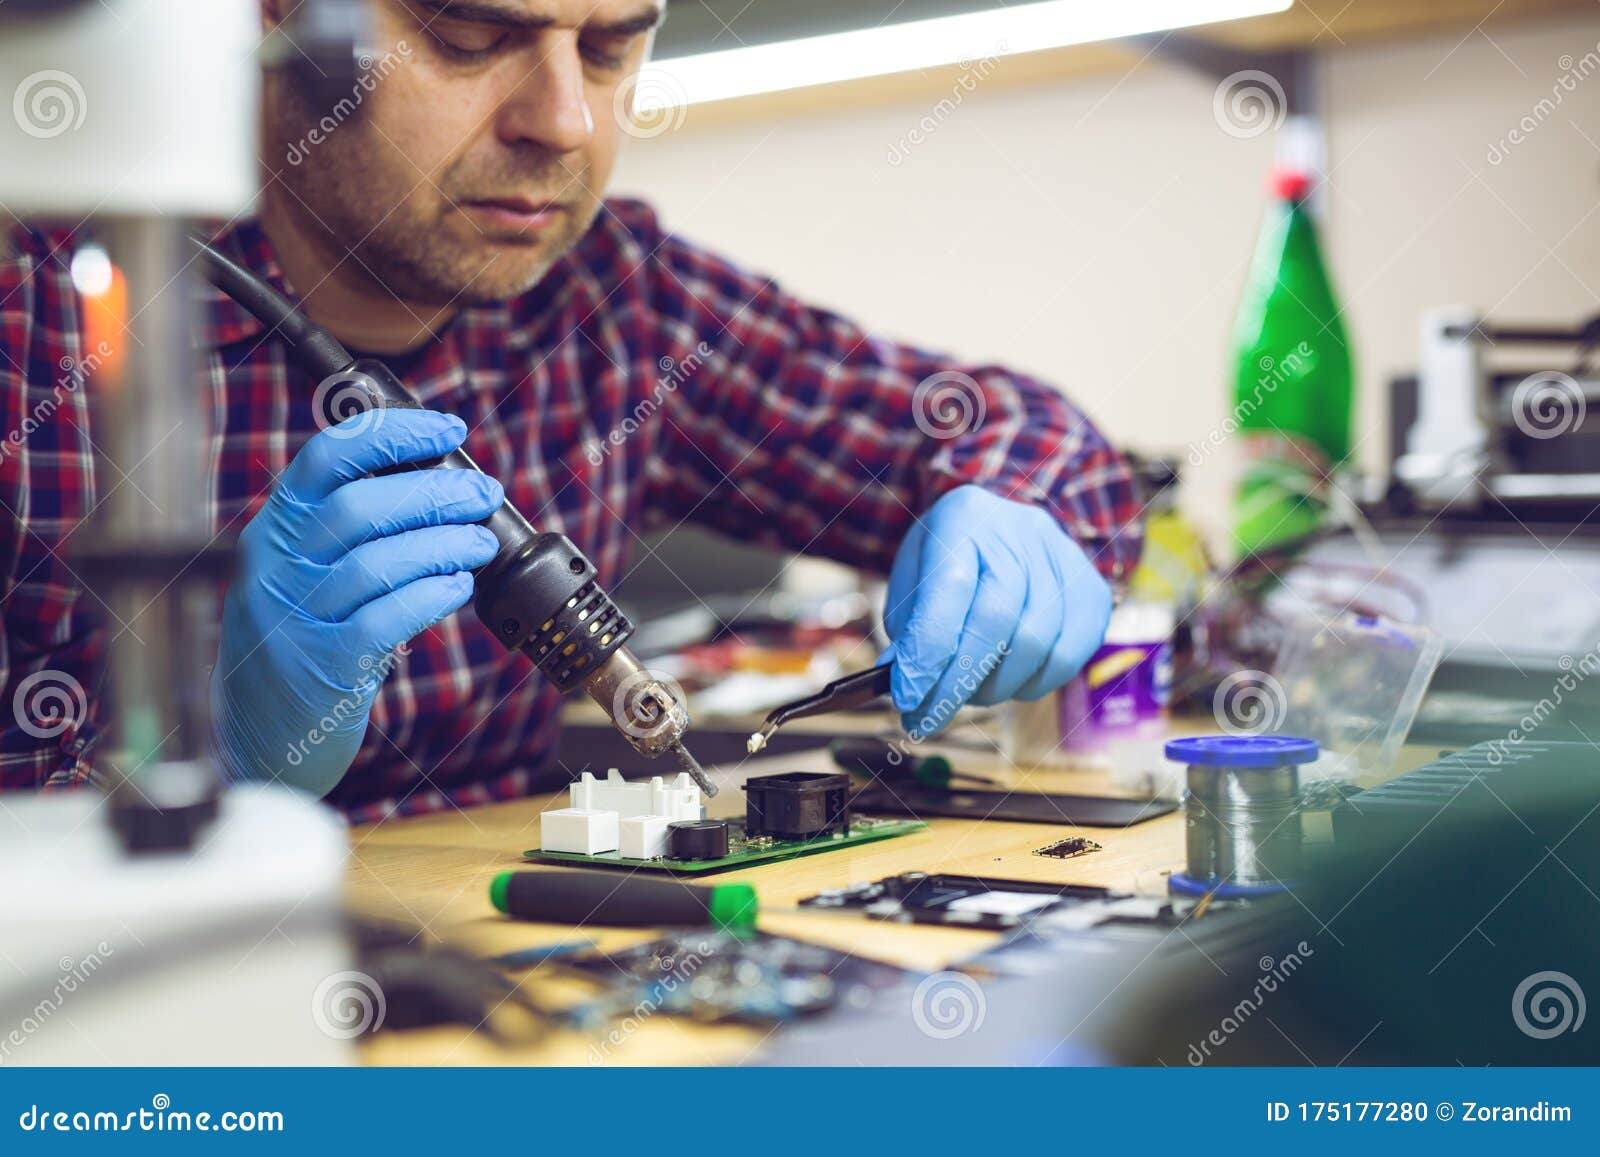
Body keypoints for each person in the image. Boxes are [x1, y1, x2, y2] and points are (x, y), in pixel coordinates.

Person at [0, 0, 1141, 821]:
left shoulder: (614, 299)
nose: (565, 123)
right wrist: (202, 761)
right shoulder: (47, 319)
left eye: (610, 46)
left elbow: (1002, 426)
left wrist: (1012, 507)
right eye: (471, 36)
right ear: (280, 18)